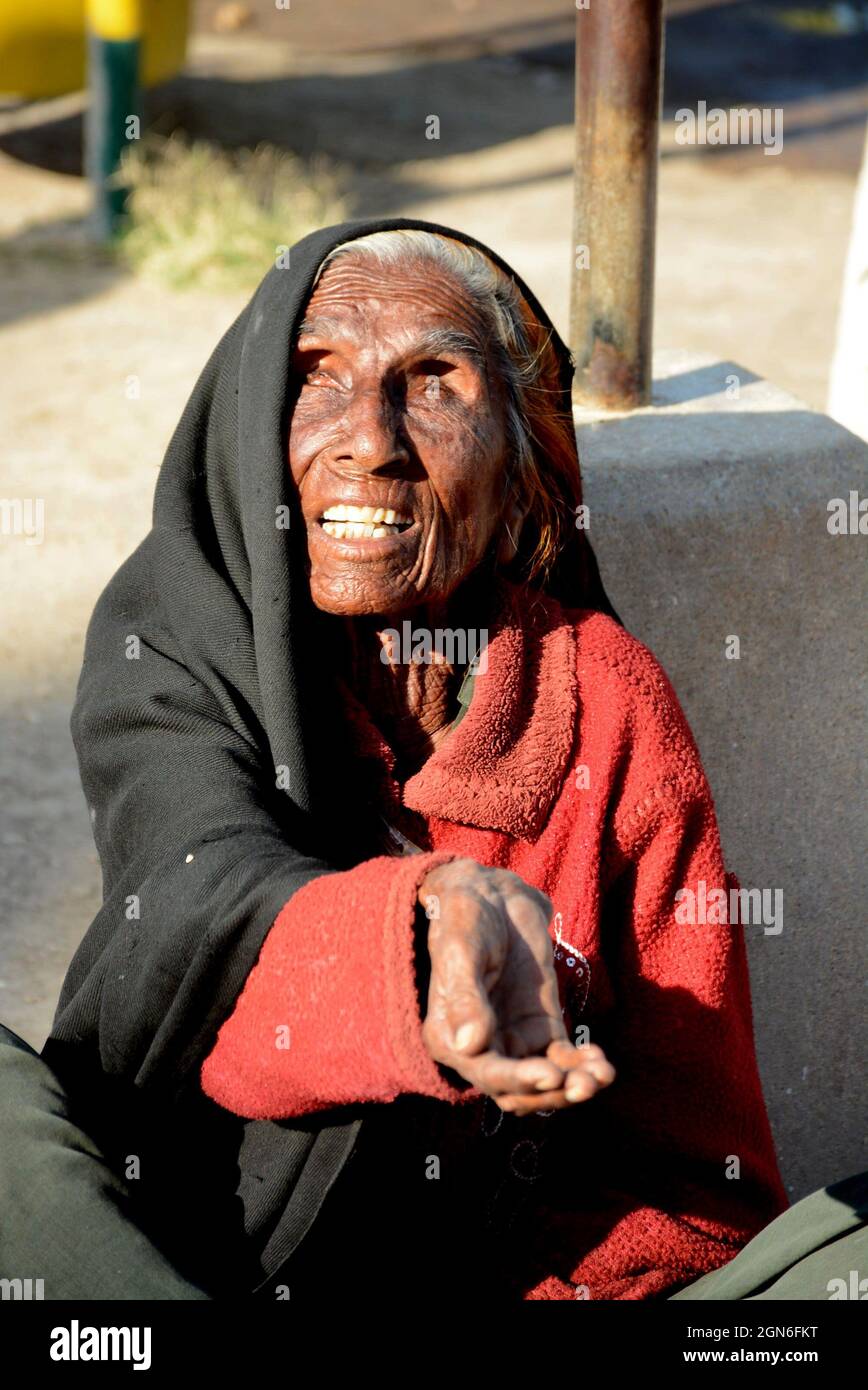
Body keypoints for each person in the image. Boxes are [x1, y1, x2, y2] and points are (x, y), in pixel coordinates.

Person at [1, 219, 790, 1301]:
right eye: (315, 376)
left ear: (523, 469)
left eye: (433, 382)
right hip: (173, 1248)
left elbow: (691, 1178)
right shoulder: (176, 639)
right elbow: (204, 893)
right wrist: (423, 939)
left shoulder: (603, 697)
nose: (367, 438)